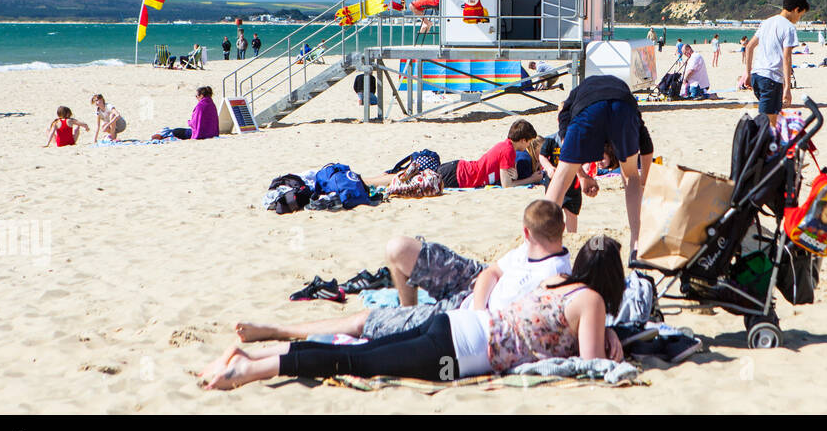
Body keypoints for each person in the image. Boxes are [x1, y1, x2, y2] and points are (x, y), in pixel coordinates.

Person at [199, 235, 626, 390]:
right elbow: (587, 366)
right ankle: (250, 370)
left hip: (457, 325)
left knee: (367, 347)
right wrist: (615, 347)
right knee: (356, 360)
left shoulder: (557, 281)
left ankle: (251, 357)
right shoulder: (591, 300)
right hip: (460, 351)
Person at [231, 201, 571, 343]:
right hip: (472, 286)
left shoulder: (558, 275)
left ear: (526, 232)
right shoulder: (527, 251)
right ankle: (410, 312)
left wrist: (477, 313)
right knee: (398, 249)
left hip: (463, 316)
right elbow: (491, 272)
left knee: (367, 321)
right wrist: (480, 301)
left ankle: (276, 330)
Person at [545, 75, 648, 247]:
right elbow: (645, 145)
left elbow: (567, 145)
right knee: (631, 176)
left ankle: (539, 238)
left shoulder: (571, 105)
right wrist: (642, 180)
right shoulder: (628, 106)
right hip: (623, 106)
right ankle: (637, 244)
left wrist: (582, 175)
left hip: (590, 107)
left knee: (562, 176)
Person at [371, 120, 541, 193]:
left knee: (411, 177)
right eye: (528, 143)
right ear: (523, 139)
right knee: (409, 180)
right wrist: (531, 178)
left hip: (458, 169)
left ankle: (371, 180)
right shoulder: (509, 150)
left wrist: (517, 176)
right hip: (459, 176)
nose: (528, 146)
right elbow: (507, 186)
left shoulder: (505, 145)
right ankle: (369, 181)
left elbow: (507, 178)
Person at [742, 0, 808, 126]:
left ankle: (767, 145)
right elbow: (787, 57)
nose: (798, 19)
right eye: (800, 15)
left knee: (772, 120)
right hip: (771, 79)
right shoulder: (789, 27)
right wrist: (787, 88)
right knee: (768, 124)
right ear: (796, 10)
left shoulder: (767, 22)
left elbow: (749, 47)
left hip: (757, 76)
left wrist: (748, 74)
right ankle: (761, 146)